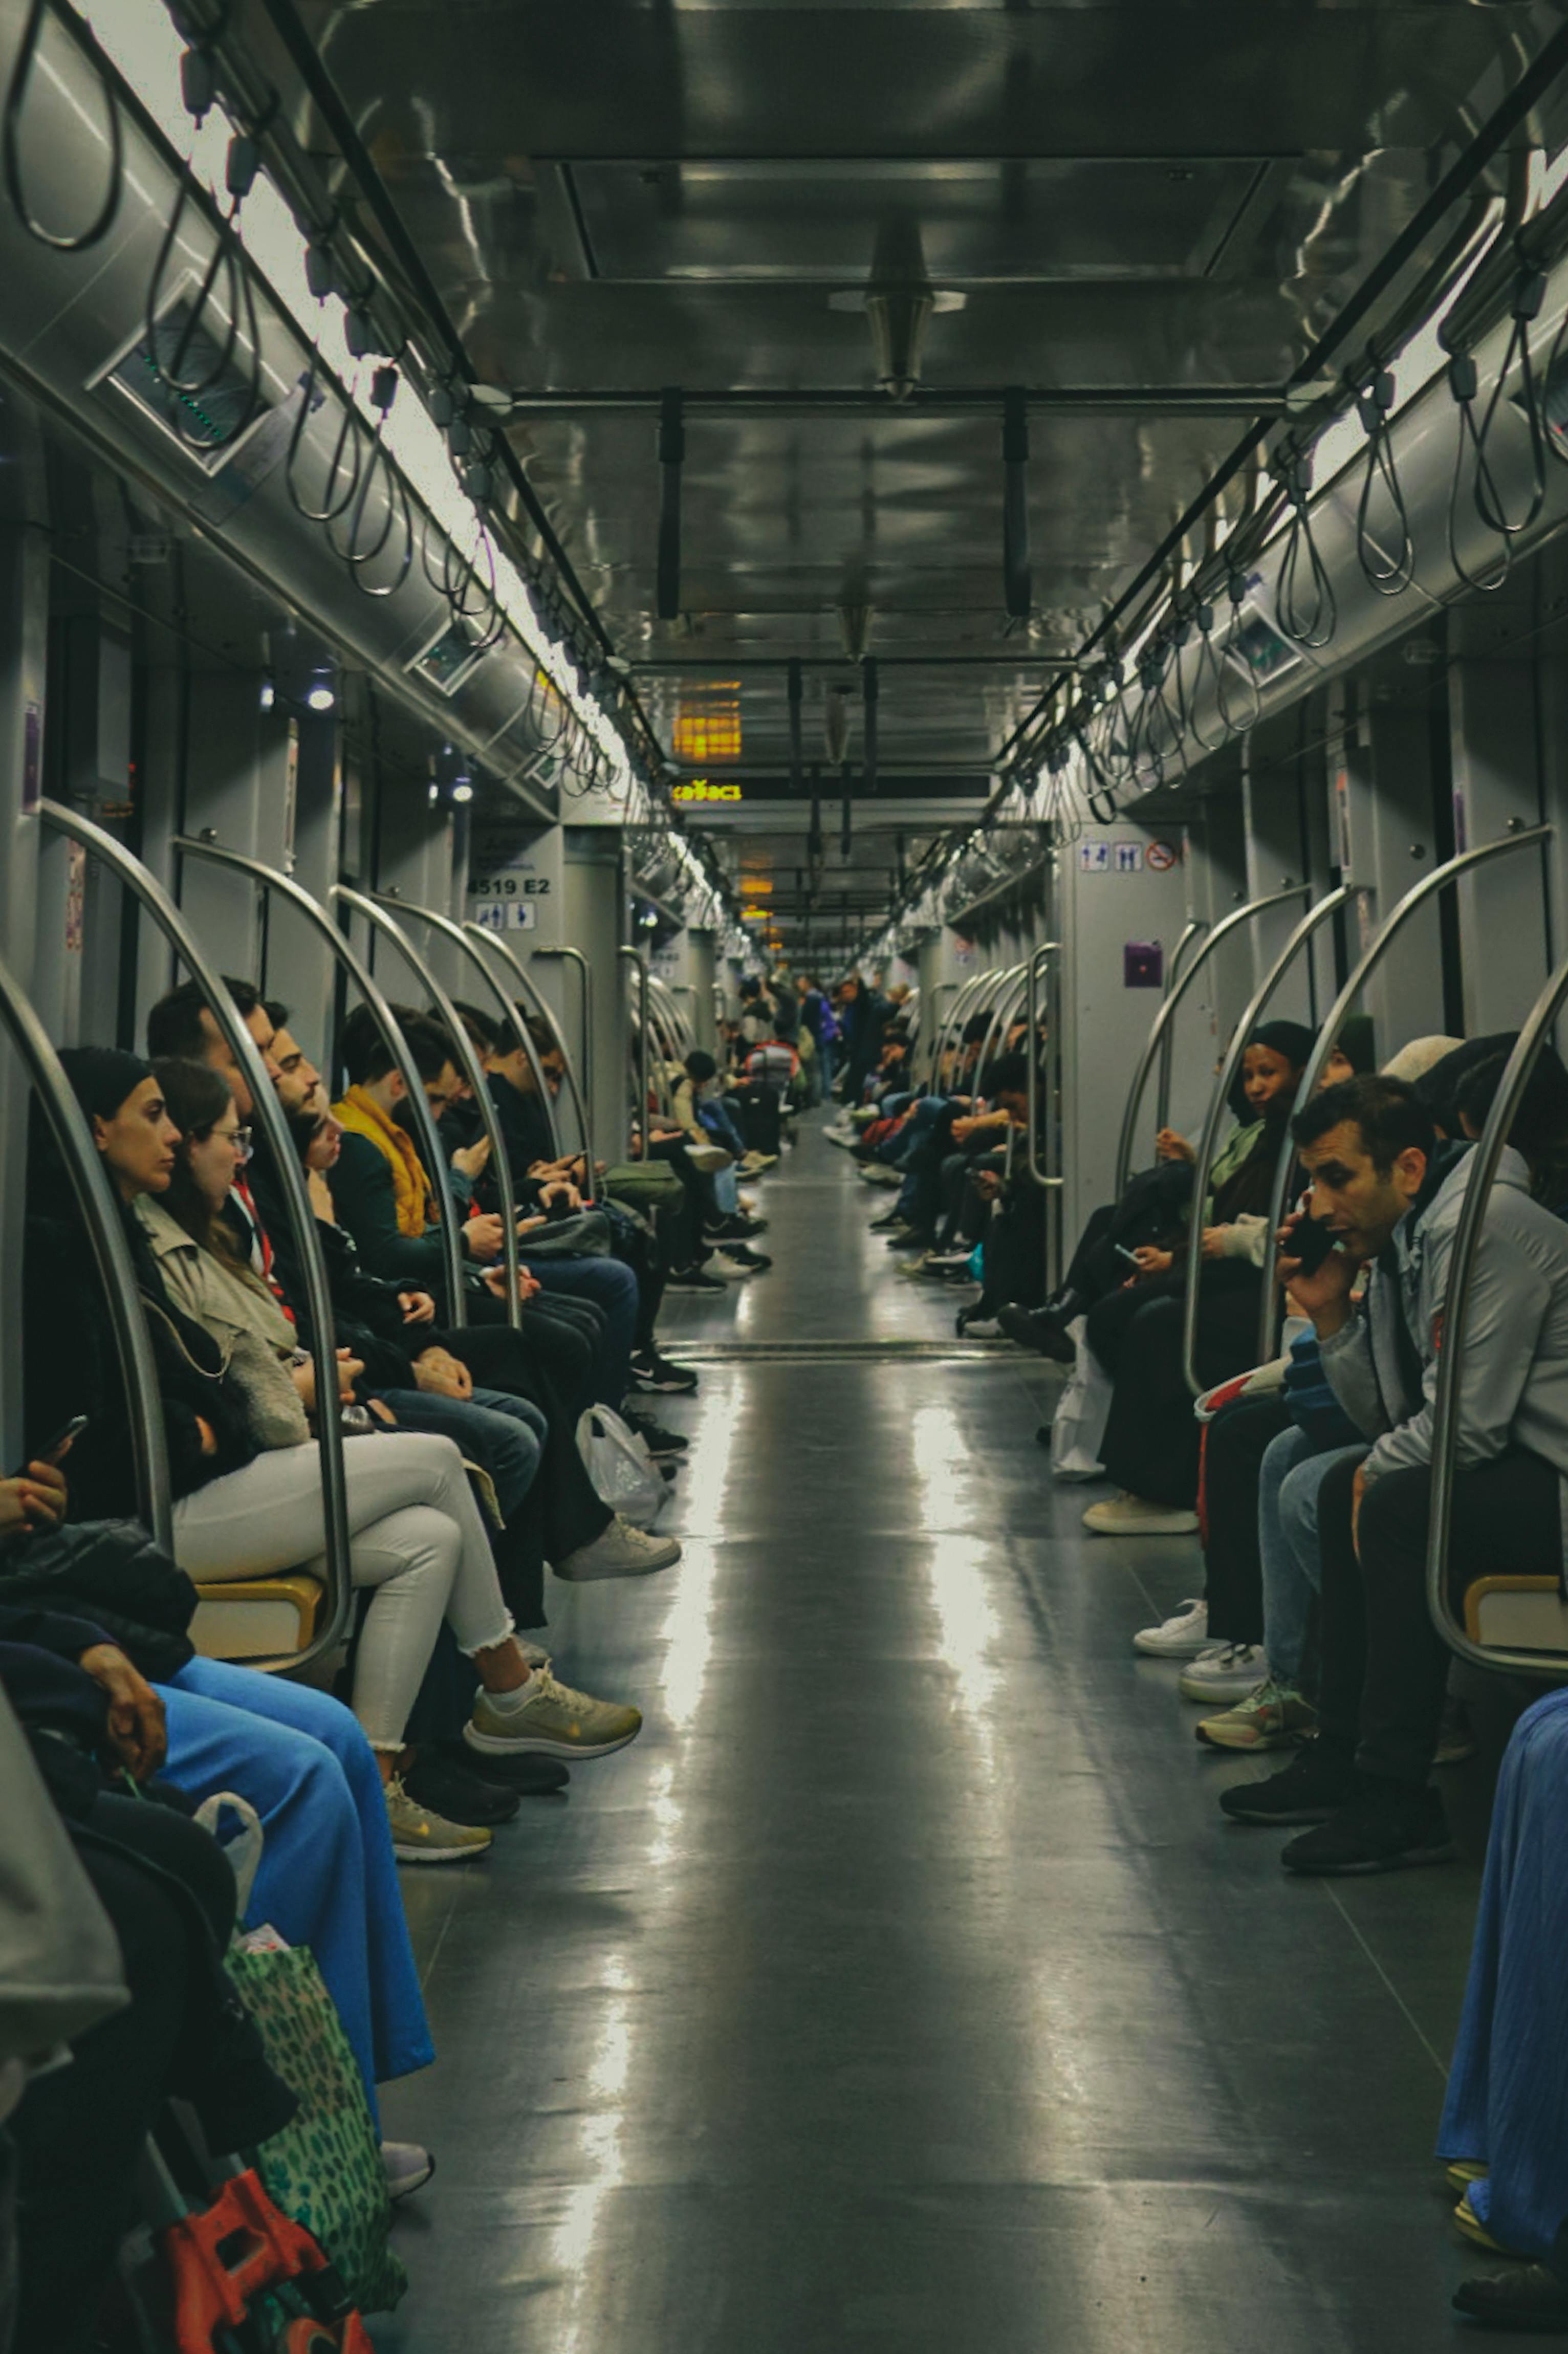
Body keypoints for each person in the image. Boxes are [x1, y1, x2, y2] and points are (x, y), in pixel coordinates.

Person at [36, 1050, 646, 1855]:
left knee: (431, 1540)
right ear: (94, 1131)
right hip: (155, 1507)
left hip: (208, 1472)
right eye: (152, 1119)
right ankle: (504, 1683)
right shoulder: (70, 1249)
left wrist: (215, 1415)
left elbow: (202, 1375)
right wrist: (214, 1423)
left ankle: (380, 1778)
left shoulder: (133, 1234)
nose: (174, 1142)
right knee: (435, 1460)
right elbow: (132, 1412)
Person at [1220, 1073, 1568, 1874]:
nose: (1316, 1203)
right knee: (1363, 1478)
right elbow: (1385, 1416)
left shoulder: (1481, 1228)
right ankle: (1343, 1753)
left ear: (1408, 1168)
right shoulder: (1405, 1239)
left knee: (1396, 1501)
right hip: (1523, 1462)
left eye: (1334, 1177)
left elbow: (1466, 1431)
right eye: (1312, 1178)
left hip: (1552, 1475)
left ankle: (1395, 1794)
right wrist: (1332, 1311)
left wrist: (1375, 1476)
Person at [1079, 1020, 1315, 1535]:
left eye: (1267, 1073)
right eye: (1248, 1075)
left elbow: (1295, 1226)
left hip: (1281, 1282)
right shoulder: (1267, 1137)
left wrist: (1220, 1243)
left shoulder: (1307, 1142)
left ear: (1304, 1071)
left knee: (1158, 1324)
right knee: (1128, 1311)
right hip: (1246, 1268)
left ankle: (1166, 1486)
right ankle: (1150, 1460)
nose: (1254, 1087)